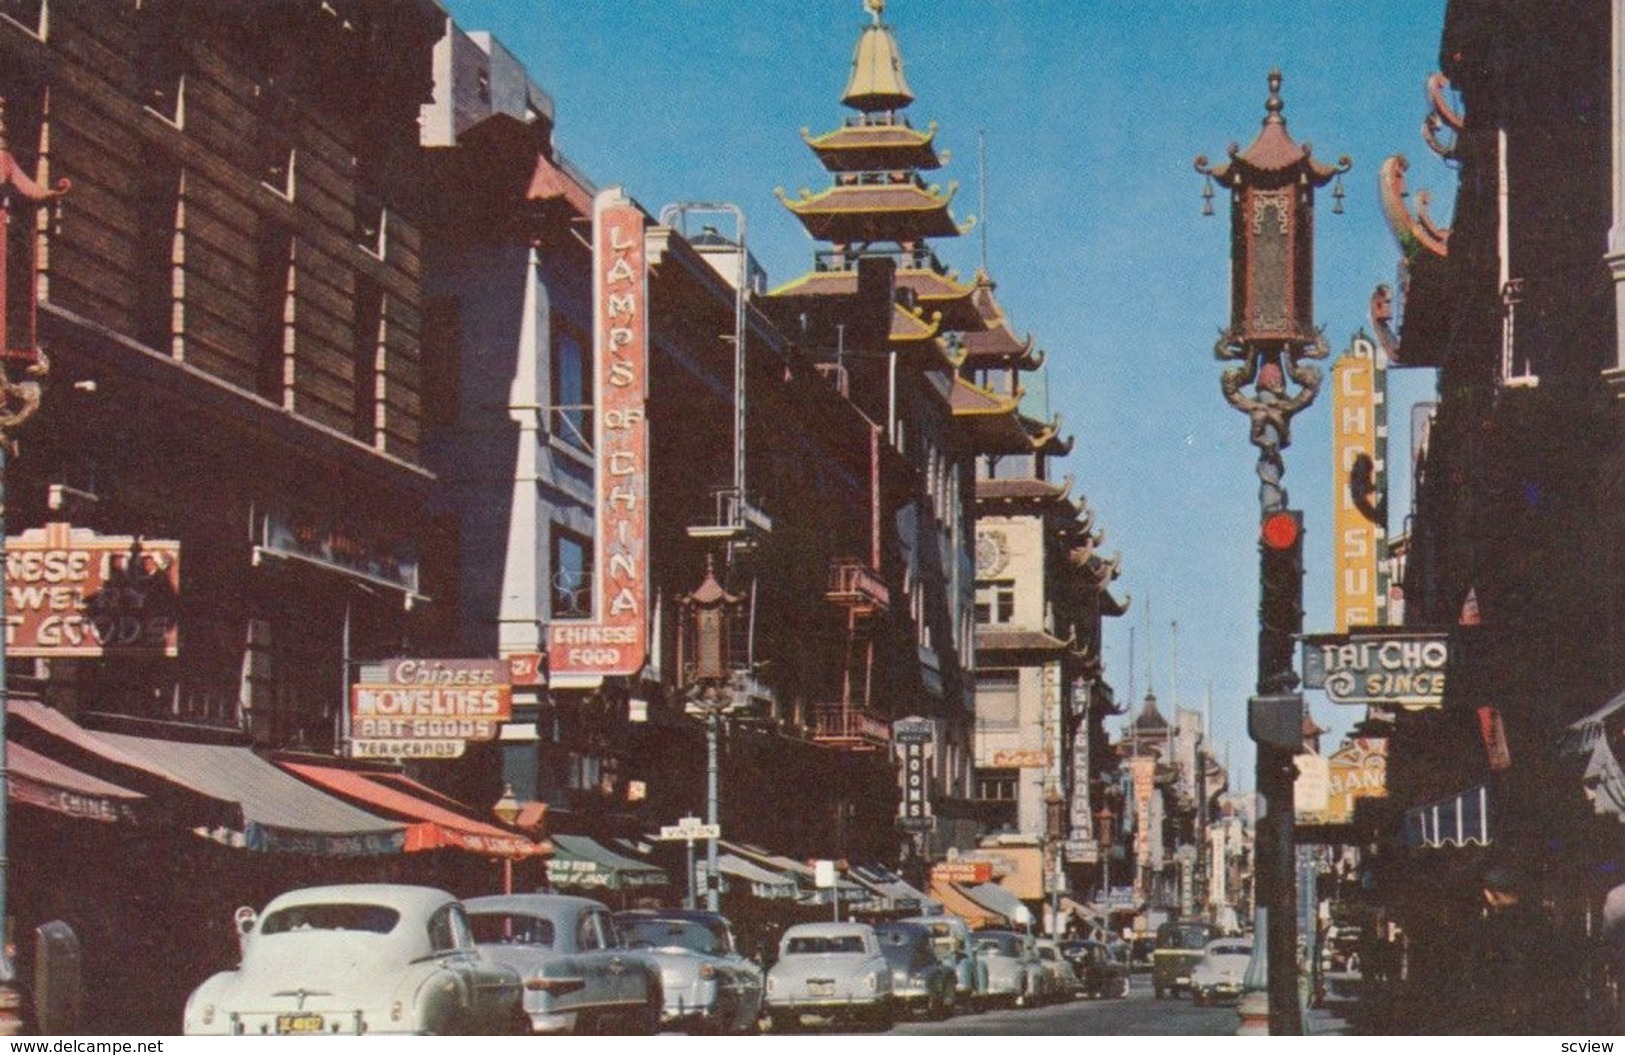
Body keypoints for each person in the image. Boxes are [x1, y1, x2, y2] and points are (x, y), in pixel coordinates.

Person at [1468, 863, 1562, 1034]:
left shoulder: (1491, 926)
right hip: (1539, 1005)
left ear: (1493, 894)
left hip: (1503, 1005)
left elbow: (1480, 967)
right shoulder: (1541, 920)